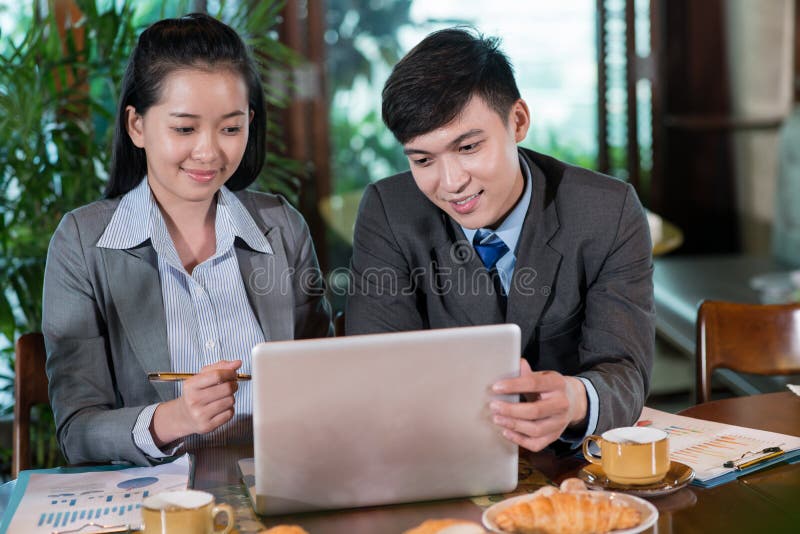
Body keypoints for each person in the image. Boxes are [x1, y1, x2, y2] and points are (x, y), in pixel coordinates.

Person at [42, 13, 332, 466]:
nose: (210, 151)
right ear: (137, 126)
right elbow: (77, 432)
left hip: (281, 484)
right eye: (184, 128)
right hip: (158, 504)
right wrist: (174, 417)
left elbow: (324, 376)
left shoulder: (282, 227)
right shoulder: (82, 243)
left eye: (231, 128)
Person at [346, 27, 654, 452]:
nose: (452, 183)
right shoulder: (390, 211)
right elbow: (376, 367)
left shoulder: (606, 211)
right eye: (423, 160)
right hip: (437, 455)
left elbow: (624, 371)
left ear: (518, 121)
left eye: (469, 147)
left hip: (569, 462)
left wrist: (575, 398)